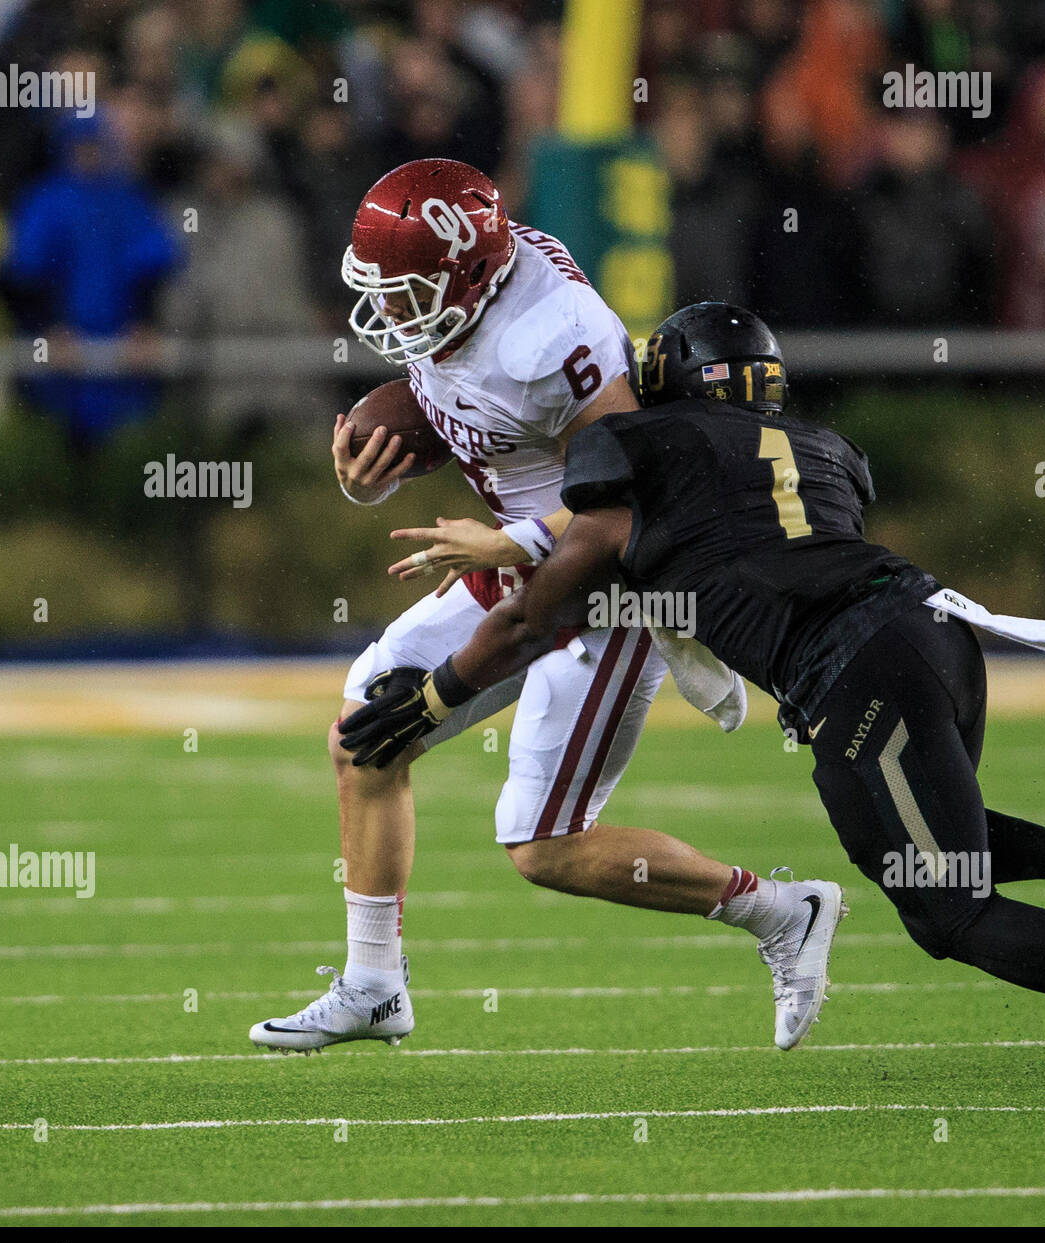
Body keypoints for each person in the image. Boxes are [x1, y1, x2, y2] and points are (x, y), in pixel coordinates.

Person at [341, 302, 1045, 1086]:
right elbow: (719, 528)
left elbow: (541, 614)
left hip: (853, 668)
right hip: (937, 631)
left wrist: (433, 697)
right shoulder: (826, 448)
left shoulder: (635, 444)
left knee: (951, 913)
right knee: (937, 842)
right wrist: (523, 544)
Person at [250, 166, 832, 1055]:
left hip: (604, 586)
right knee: (365, 732)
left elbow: (636, 497)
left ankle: (782, 911)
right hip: (516, 559)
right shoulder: (471, 296)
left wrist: (510, 541)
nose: (395, 317)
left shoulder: (556, 335)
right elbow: (471, 418)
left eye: (409, 294)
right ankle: (373, 985)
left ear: (468, 274)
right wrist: (370, 472)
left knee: (545, 843)